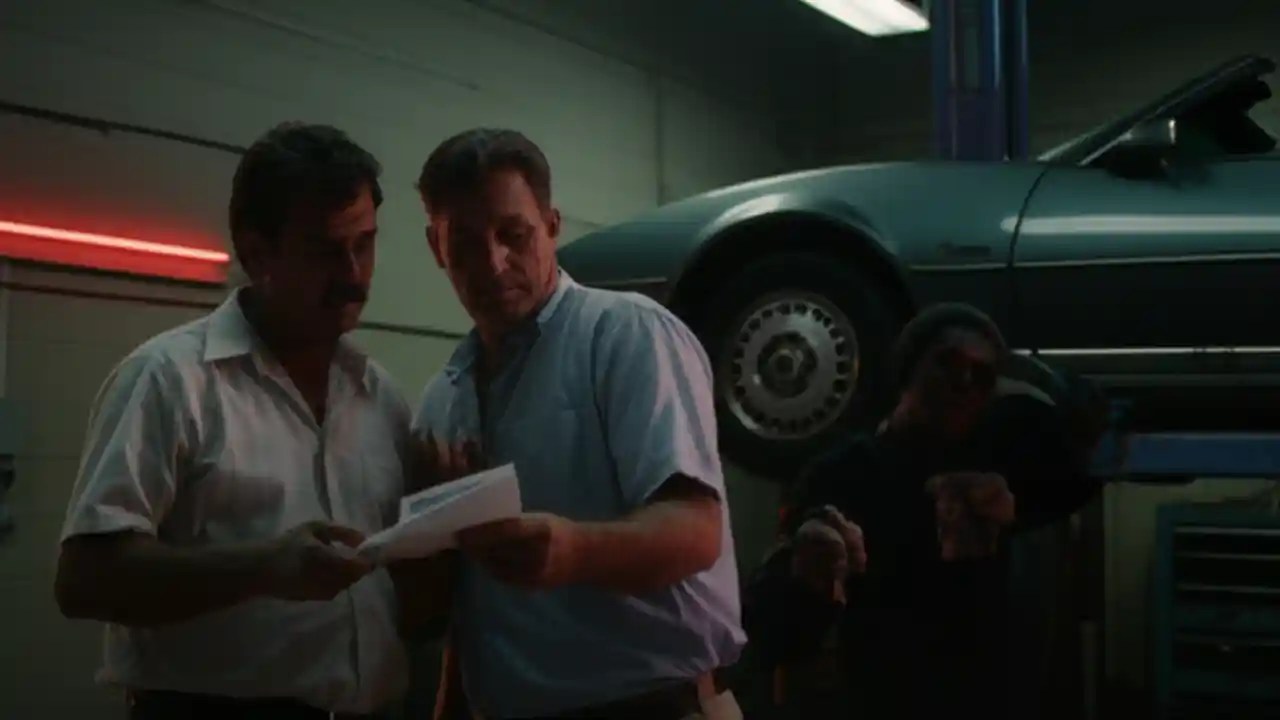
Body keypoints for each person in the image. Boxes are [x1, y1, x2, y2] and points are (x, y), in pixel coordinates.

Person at [54, 122, 435, 719]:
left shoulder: (381, 398)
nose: (355, 274)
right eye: (325, 250)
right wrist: (264, 567)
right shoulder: (169, 379)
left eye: (364, 243)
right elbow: (84, 580)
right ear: (257, 252)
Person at [411, 128, 746, 719]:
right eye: (463, 244)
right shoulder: (442, 402)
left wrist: (575, 551)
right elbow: (471, 616)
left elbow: (696, 530)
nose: (492, 263)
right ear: (436, 248)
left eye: (513, 236)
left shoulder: (626, 336)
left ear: (552, 225)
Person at [742, 303, 1107, 720]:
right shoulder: (845, 472)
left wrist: (1048, 391)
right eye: (947, 365)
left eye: (982, 376)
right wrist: (806, 579)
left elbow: (1084, 458)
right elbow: (771, 628)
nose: (963, 382)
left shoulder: (1002, 466)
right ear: (908, 371)